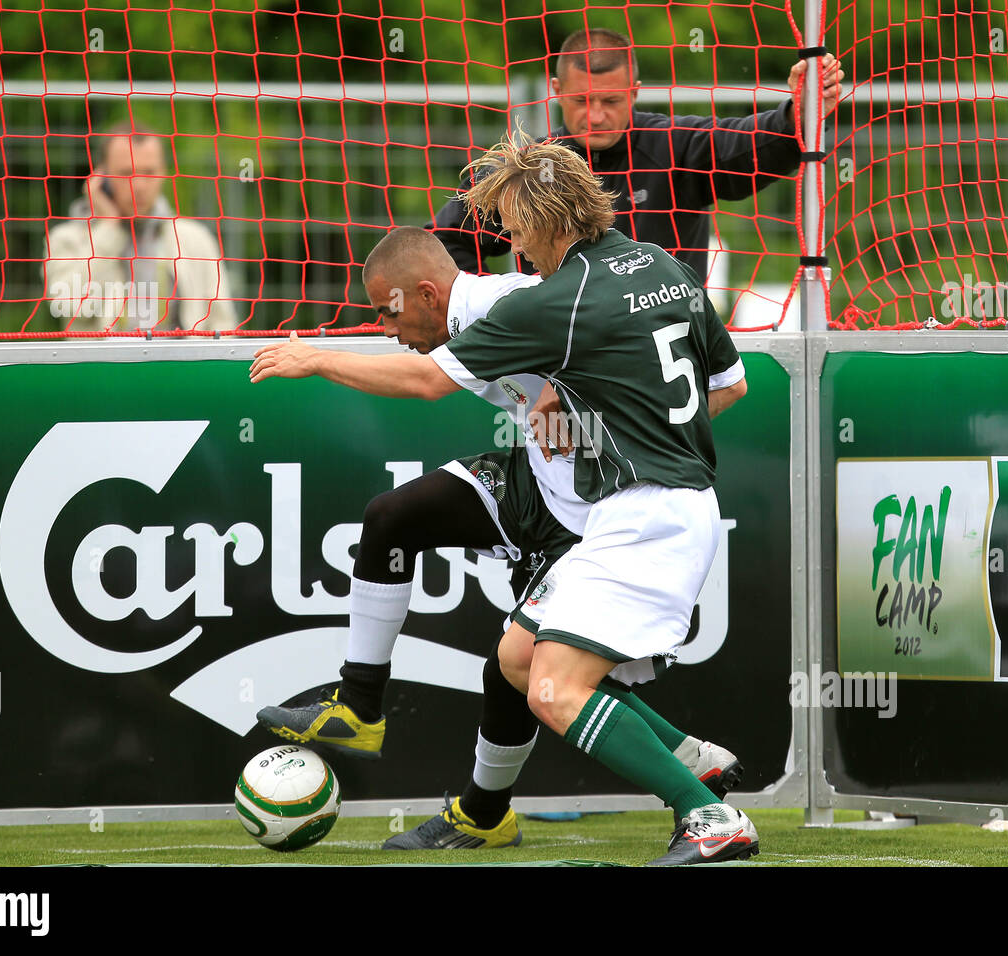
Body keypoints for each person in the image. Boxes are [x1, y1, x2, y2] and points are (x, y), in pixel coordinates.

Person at [252, 134, 755, 865]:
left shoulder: (554, 299)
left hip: (645, 515)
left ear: (547, 218)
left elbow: (427, 384)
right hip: (655, 501)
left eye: (515, 230)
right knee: (519, 658)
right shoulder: (663, 265)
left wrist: (315, 357)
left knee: (552, 689)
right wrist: (626, 422)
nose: (514, 246)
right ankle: (687, 759)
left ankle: (707, 815)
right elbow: (730, 388)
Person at [429, 27, 843, 279]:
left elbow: (750, 143)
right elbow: (446, 243)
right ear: (556, 92)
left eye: (611, 100)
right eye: (580, 101)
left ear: (634, 91)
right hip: (558, 357)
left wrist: (797, 116)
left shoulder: (676, 145)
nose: (595, 115)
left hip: (663, 347)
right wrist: (495, 306)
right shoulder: (527, 168)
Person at [42, 121, 236, 333]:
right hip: (102, 365)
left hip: (182, 364)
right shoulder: (67, 240)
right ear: (101, 177)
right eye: (126, 173)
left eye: (149, 172)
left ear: (164, 172)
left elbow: (223, 325)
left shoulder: (194, 239)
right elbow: (69, 305)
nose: (139, 185)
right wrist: (109, 229)